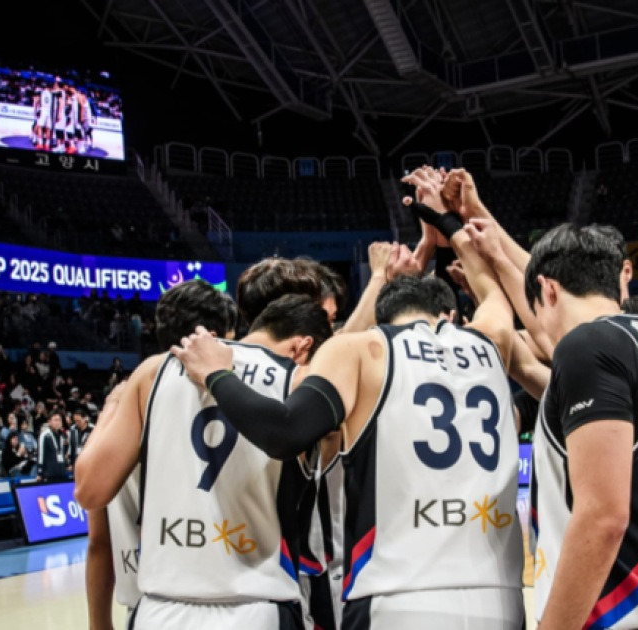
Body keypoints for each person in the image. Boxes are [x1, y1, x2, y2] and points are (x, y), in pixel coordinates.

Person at [171, 173, 526, 629]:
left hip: (393, 596)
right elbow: (493, 290)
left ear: (380, 312)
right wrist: (445, 223)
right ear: (449, 311)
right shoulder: (491, 340)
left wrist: (217, 373)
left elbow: (285, 425)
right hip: (499, 596)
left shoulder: (358, 352)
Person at [76, 283, 332, 628]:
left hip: (161, 607)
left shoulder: (151, 374)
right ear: (219, 333)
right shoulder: (298, 379)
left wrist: (110, 410)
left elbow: (90, 490)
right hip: (259, 604)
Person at [522, 223, 638, 629]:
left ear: (548, 290)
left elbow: (603, 517)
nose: (543, 330)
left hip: (621, 616)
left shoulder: (587, 345)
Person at [37, 413, 69, 482]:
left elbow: (62, 453)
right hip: (49, 474)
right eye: (55, 420)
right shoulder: (45, 435)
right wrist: (39, 472)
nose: (58, 422)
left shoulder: (63, 436)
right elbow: (40, 454)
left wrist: (66, 465)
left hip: (61, 473)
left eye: (59, 420)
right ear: (49, 422)